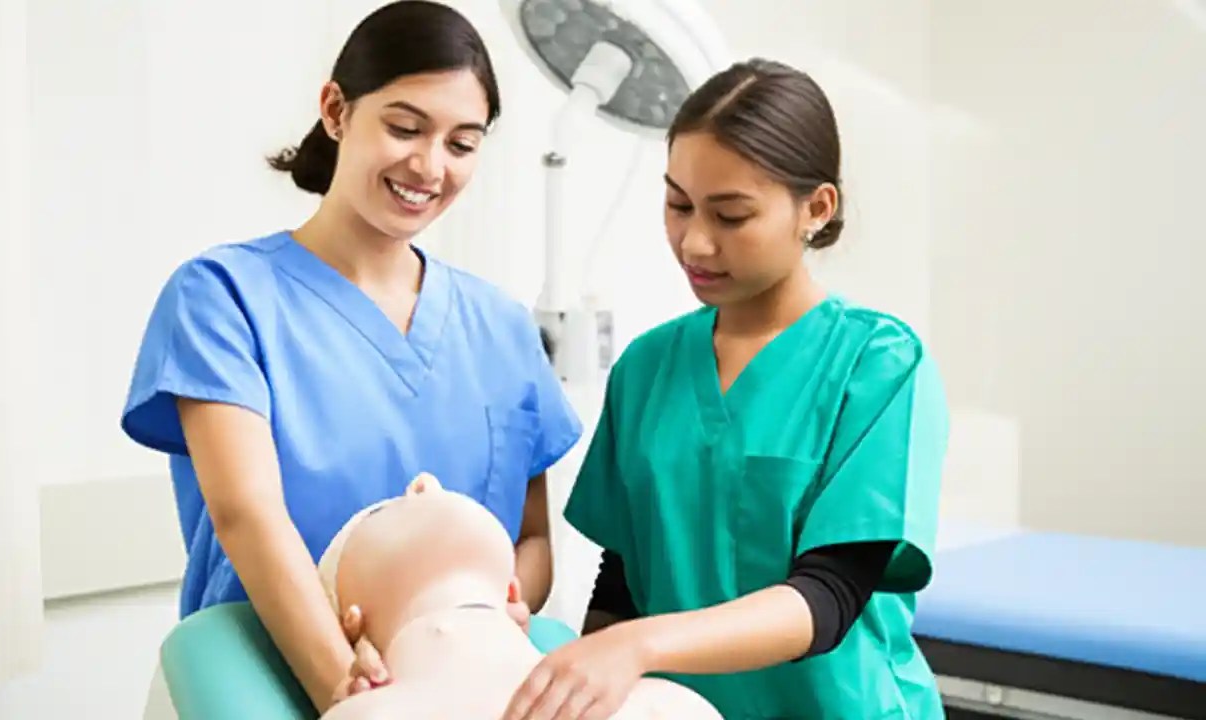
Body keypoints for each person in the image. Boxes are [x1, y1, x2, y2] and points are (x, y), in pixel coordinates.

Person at [119, 1, 581, 713]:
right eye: (404, 127)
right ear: (336, 110)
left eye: (463, 143)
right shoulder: (223, 297)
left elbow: (530, 539)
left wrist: (489, 612)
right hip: (272, 673)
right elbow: (248, 514)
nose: (430, 166)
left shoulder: (501, 326)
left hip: (460, 677)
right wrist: (345, 683)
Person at [500, 59, 950, 720]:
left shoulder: (877, 364)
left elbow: (827, 599)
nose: (695, 242)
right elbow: (624, 581)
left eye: (731, 215)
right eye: (678, 204)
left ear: (816, 209)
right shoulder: (648, 368)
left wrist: (636, 647)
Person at [318, 473, 723, 720]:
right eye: (383, 511)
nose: (425, 485)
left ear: (513, 591)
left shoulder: (670, 706)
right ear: (352, 621)